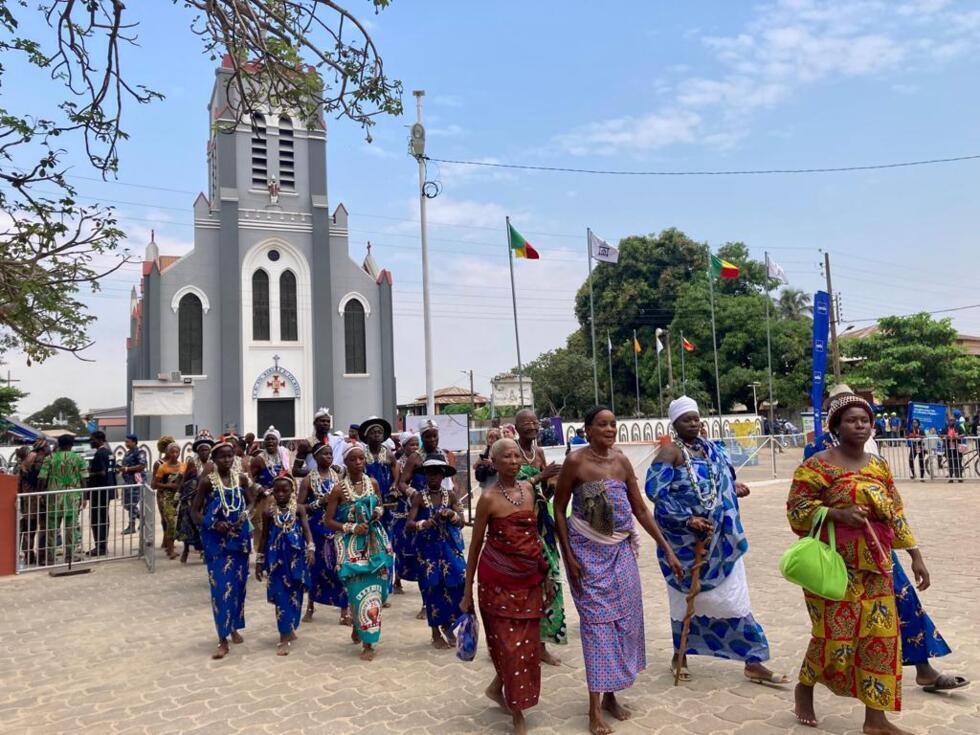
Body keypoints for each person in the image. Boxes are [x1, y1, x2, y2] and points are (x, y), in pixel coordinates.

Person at [788, 392, 924, 734]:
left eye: (864, 420)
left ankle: (875, 720)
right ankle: (804, 689)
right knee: (835, 640)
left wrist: (915, 555)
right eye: (851, 419)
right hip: (835, 568)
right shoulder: (817, 465)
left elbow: (895, 512)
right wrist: (836, 513)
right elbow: (797, 510)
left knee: (881, 639)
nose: (859, 425)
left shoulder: (878, 466)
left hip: (877, 567)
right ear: (836, 426)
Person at [554, 406, 682, 735]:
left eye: (613, 425)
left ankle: (611, 695)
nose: (609, 430)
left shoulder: (622, 462)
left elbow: (639, 508)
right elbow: (559, 507)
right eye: (602, 424)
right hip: (586, 553)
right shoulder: (576, 462)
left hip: (621, 552)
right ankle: (593, 709)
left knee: (624, 621)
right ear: (587, 429)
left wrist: (666, 548)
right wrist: (568, 555)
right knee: (597, 627)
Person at [645, 396, 782, 685]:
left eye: (696, 418)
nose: (693, 423)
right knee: (684, 601)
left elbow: (720, 482)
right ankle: (679, 655)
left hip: (721, 542)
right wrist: (687, 520)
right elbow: (655, 492)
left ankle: (753, 660)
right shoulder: (670, 453)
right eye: (686, 419)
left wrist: (734, 487)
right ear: (675, 423)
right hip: (685, 544)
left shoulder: (712, 450)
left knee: (735, 600)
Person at [461, 438, 549, 735]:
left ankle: (499, 689)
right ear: (494, 463)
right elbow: (474, 546)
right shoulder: (487, 498)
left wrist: (545, 575)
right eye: (506, 457)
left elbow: (534, 537)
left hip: (530, 581)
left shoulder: (529, 489)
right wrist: (466, 593)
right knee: (508, 648)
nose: (512, 461)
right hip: (496, 583)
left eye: (515, 457)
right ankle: (517, 714)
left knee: (527, 648)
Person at [323, 442, 392, 661]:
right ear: (345, 462)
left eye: (362, 458)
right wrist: (352, 527)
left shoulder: (372, 483)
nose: (359, 462)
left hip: (375, 543)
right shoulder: (338, 489)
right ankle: (368, 642)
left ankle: (361, 626)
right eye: (353, 459)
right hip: (351, 546)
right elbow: (328, 521)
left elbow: (379, 505)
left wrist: (377, 513)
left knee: (377, 591)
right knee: (358, 591)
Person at [190, 440, 255, 659]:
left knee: (237, 586)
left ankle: (234, 625)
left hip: (239, 539)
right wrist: (213, 524)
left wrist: (246, 514)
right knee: (220, 589)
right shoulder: (208, 482)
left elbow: (251, 502)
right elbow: (195, 511)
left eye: (230, 456)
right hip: (217, 542)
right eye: (222, 457)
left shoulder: (241, 479)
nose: (227, 460)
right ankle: (222, 638)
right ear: (214, 460)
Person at [514, 408, 566, 667]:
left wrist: (554, 483)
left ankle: (543, 644)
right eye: (526, 423)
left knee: (548, 579)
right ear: (516, 427)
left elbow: (544, 491)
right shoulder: (509, 451)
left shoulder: (541, 453)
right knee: (520, 585)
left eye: (535, 422)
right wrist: (540, 477)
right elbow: (510, 486)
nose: (532, 426)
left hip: (541, 525)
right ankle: (512, 644)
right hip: (518, 525)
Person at [407, 453, 466, 650]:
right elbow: (409, 524)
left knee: (456, 583)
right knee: (432, 588)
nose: (432, 477)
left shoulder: (451, 495)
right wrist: (425, 523)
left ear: (443, 476)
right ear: (424, 475)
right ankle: (435, 633)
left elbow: (462, 520)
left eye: (436, 473)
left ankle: (449, 626)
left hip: (449, 549)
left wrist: (451, 515)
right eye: (429, 473)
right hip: (428, 551)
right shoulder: (418, 497)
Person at [255, 474, 314, 656]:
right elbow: (264, 537)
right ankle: (284, 635)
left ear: (292, 491)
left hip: (296, 559)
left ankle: (290, 627)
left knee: (295, 595)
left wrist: (311, 549)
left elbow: (306, 530)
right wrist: (259, 561)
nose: (280, 494)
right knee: (281, 596)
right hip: (276, 560)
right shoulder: (268, 513)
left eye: (285, 490)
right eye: (277, 491)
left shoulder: (299, 510)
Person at [298, 442, 349, 624]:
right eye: (324, 454)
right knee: (316, 568)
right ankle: (311, 607)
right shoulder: (308, 480)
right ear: (316, 457)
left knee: (340, 567)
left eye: (330, 454)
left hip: (336, 526)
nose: (328, 457)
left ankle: (344, 609)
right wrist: (318, 503)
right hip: (317, 529)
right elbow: (299, 507)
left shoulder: (339, 477)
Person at [359, 416, 399, 598]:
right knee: (367, 544)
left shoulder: (389, 454)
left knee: (386, 545)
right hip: (367, 505)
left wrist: (394, 486)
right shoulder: (361, 455)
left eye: (379, 432)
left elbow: (395, 473)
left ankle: (385, 589)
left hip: (387, 507)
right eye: (373, 432)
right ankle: (368, 584)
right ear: (366, 436)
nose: (377, 435)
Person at [38, 434, 88, 564]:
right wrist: (85, 497)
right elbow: (84, 478)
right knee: (71, 528)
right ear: (72, 445)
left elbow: (42, 478)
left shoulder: (50, 458)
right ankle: (69, 557)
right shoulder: (78, 458)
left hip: (53, 497)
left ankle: (50, 558)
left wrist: (41, 494)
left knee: (52, 528)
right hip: (72, 497)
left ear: (59, 445)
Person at [391, 432, 420, 594]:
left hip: (416, 508)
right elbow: (396, 485)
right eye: (411, 444)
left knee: (414, 545)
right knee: (399, 545)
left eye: (417, 444)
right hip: (401, 509)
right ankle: (397, 579)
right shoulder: (398, 464)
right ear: (403, 446)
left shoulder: (419, 462)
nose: (415, 448)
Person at [177, 431, 212, 563]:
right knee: (188, 524)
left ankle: (204, 550)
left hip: (207, 498)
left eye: (206, 450)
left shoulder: (213, 463)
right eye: (201, 450)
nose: (204, 452)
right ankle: (186, 549)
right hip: (192, 498)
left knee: (204, 525)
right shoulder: (192, 462)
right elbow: (185, 478)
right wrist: (179, 493)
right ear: (198, 451)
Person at [17, 439, 49, 565]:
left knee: (29, 529)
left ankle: (28, 555)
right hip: (41, 500)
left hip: (27, 501)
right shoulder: (43, 462)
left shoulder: (23, 465)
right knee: (44, 529)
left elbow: (18, 484)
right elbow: (43, 481)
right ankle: (42, 556)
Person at [86, 430, 116, 557]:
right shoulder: (109, 452)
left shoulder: (99, 454)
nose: (90, 441)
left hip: (99, 491)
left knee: (96, 519)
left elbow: (102, 472)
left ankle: (100, 547)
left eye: (92, 439)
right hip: (107, 489)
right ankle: (102, 545)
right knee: (104, 518)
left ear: (99, 440)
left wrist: (88, 473)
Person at [153, 442, 185, 560]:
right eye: (172, 452)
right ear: (167, 452)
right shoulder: (163, 467)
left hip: (180, 498)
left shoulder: (183, 466)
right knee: (170, 522)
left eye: (177, 452)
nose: (175, 454)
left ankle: (175, 547)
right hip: (167, 498)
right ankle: (170, 549)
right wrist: (168, 486)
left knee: (179, 523)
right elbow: (154, 484)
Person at [119, 434, 146, 534]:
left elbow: (142, 466)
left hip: (136, 482)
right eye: (125, 441)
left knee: (132, 504)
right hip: (127, 482)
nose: (126, 443)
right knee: (126, 504)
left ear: (134, 442)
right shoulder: (127, 453)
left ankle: (131, 526)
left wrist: (126, 469)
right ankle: (143, 518)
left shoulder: (140, 452)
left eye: (128, 441)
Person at [943, 416, 965, 483]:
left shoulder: (958, 427)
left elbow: (964, 433)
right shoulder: (946, 427)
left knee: (958, 461)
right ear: (948, 421)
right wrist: (946, 436)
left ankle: (959, 477)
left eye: (952, 420)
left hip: (957, 446)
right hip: (949, 447)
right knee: (950, 462)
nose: (951, 422)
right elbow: (940, 434)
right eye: (950, 420)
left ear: (955, 421)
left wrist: (959, 436)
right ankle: (951, 477)